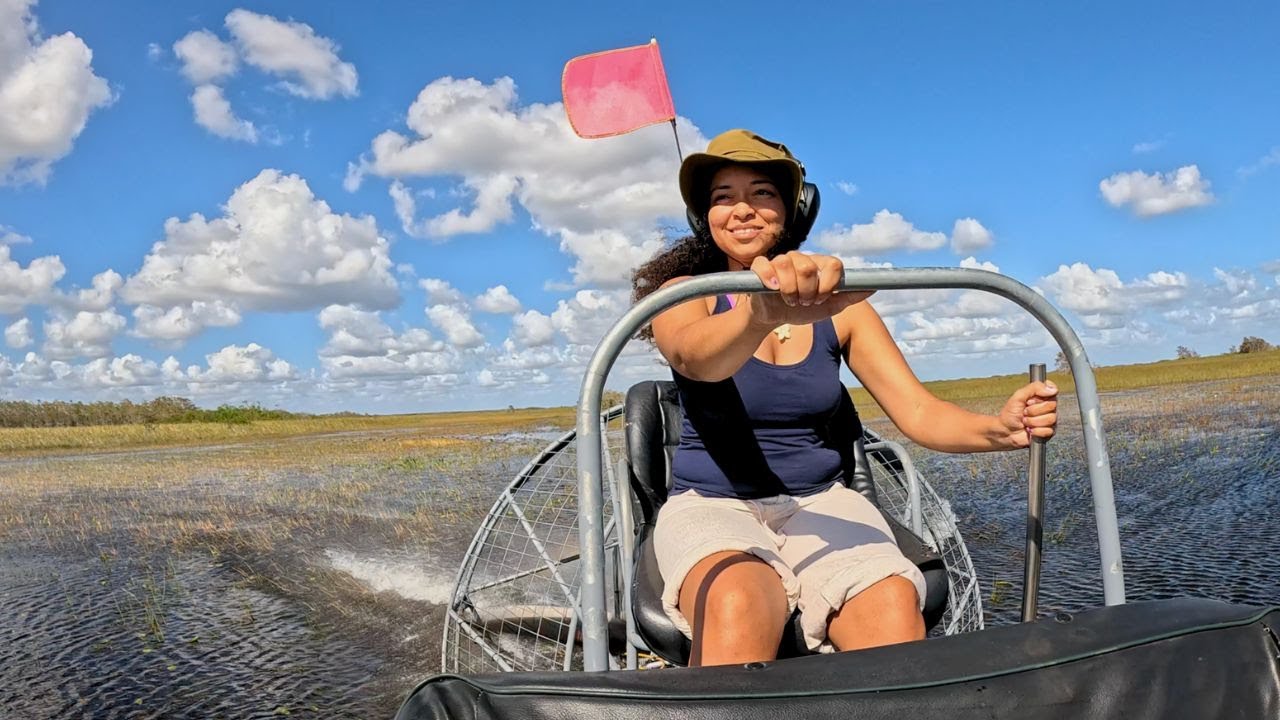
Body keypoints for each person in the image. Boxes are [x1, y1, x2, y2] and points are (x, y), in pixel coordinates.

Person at [631, 129, 1058, 667]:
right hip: (712, 503)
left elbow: (919, 412)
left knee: (889, 605)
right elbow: (697, 359)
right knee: (742, 598)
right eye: (723, 197)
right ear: (704, 219)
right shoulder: (683, 296)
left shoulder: (844, 309)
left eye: (762, 192)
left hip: (820, 501)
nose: (742, 209)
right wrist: (761, 313)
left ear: (792, 210)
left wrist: (1002, 429)